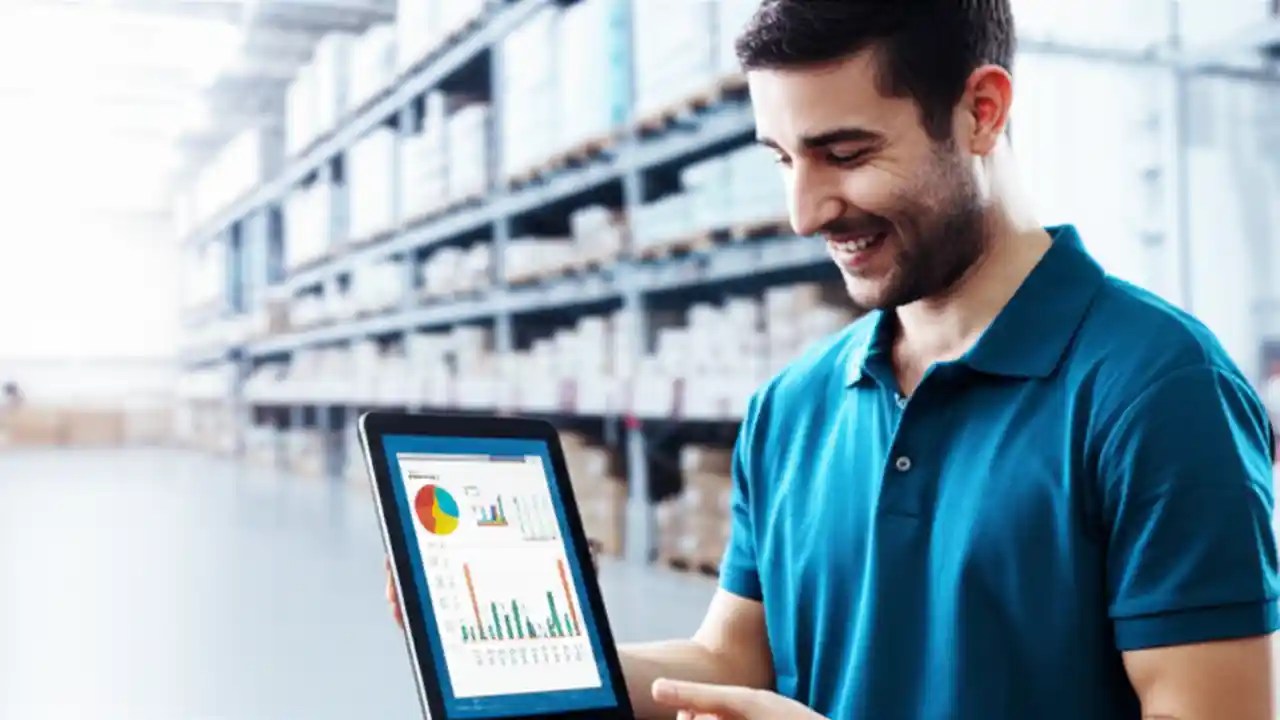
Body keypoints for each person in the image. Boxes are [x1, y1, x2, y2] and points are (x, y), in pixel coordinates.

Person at [391, 1, 1280, 717]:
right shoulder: (794, 406)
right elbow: (731, 659)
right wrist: (511, 650)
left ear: (982, 112)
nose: (805, 210)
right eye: (782, 158)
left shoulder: (1157, 390)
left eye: (845, 154)